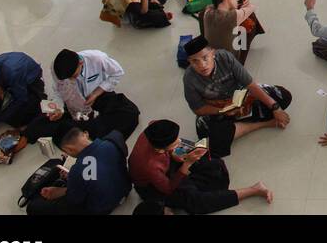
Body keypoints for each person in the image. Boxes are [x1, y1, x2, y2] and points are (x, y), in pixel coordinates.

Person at [129, 118, 271, 214]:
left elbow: (154, 124)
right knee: (196, 201)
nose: (179, 140)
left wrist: (173, 153)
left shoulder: (154, 130)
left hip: (166, 163)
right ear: (161, 149)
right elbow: (168, 187)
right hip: (155, 188)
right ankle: (254, 190)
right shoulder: (150, 166)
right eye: (174, 141)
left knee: (209, 162)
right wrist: (187, 163)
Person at [181, 36, 291, 159]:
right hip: (218, 108)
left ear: (213, 53)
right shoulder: (189, 79)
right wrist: (223, 110)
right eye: (195, 61)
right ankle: (266, 123)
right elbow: (198, 109)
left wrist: (275, 107)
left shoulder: (225, 57)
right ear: (189, 62)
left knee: (283, 96)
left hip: (242, 97)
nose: (202, 65)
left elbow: (250, 84)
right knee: (208, 140)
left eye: (205, 57)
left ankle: (236, 126)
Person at [25, 126, 130, 216]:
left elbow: (74, 201)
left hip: (103, 208)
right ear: (85, 134)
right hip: (125, 189)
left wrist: (57, 191)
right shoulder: (112, 141)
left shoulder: (78, 171)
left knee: (33, 207)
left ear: (69, 149)